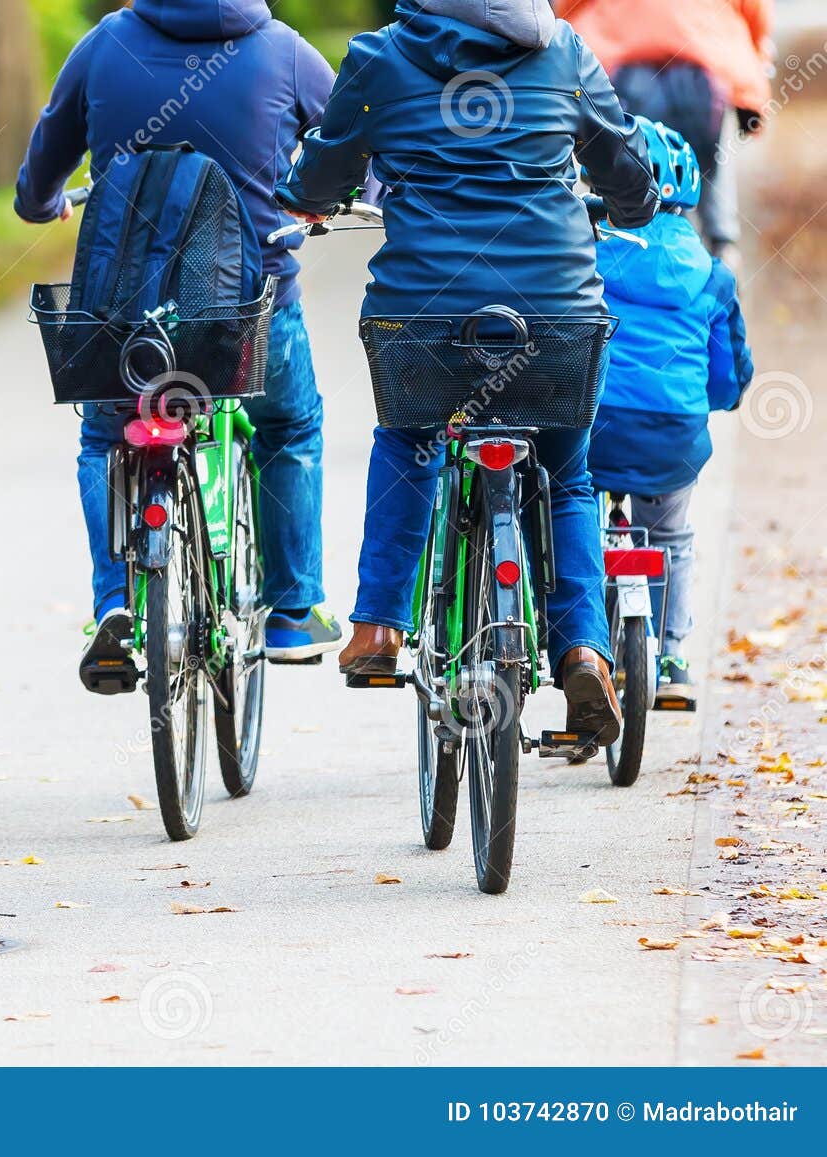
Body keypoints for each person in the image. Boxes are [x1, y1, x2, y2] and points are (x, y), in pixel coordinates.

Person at [275, 0, 660, 744]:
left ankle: (379, 625)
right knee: (568, 473)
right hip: (553, 316)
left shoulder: (381, 58)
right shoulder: (566, 53)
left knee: (410, 440)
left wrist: (309, 199)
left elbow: (322, 170)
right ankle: (582, 647)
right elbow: (626, 163)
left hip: (427, 317)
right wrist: (633, 201)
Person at [14, 0, 350, 691]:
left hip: (123, 320)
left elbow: (43, 166)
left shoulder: (105, 46)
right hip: (247, 315)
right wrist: (341, 196)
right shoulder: (284, 51)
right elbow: (349, 141)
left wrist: (44, 200)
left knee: (106, 441)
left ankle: (114, 601)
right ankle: (290, 610)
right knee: (288, 428)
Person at [588, 118, 754, 703]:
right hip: (674, 434)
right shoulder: (712, 275)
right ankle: (676, 659)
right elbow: (728, 373)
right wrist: (718, 399)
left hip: (597, 423)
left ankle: (580, 644)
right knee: (673, 534)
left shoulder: (587, 256)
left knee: (574, 516)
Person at [554, 0, 775, 271]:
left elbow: (565, 7)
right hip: (706, 59)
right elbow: (754, 10)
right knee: (711, 158)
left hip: (623, 58)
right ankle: (723, 245)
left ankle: (616, 259)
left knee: (624, 172)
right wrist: (753, 58)